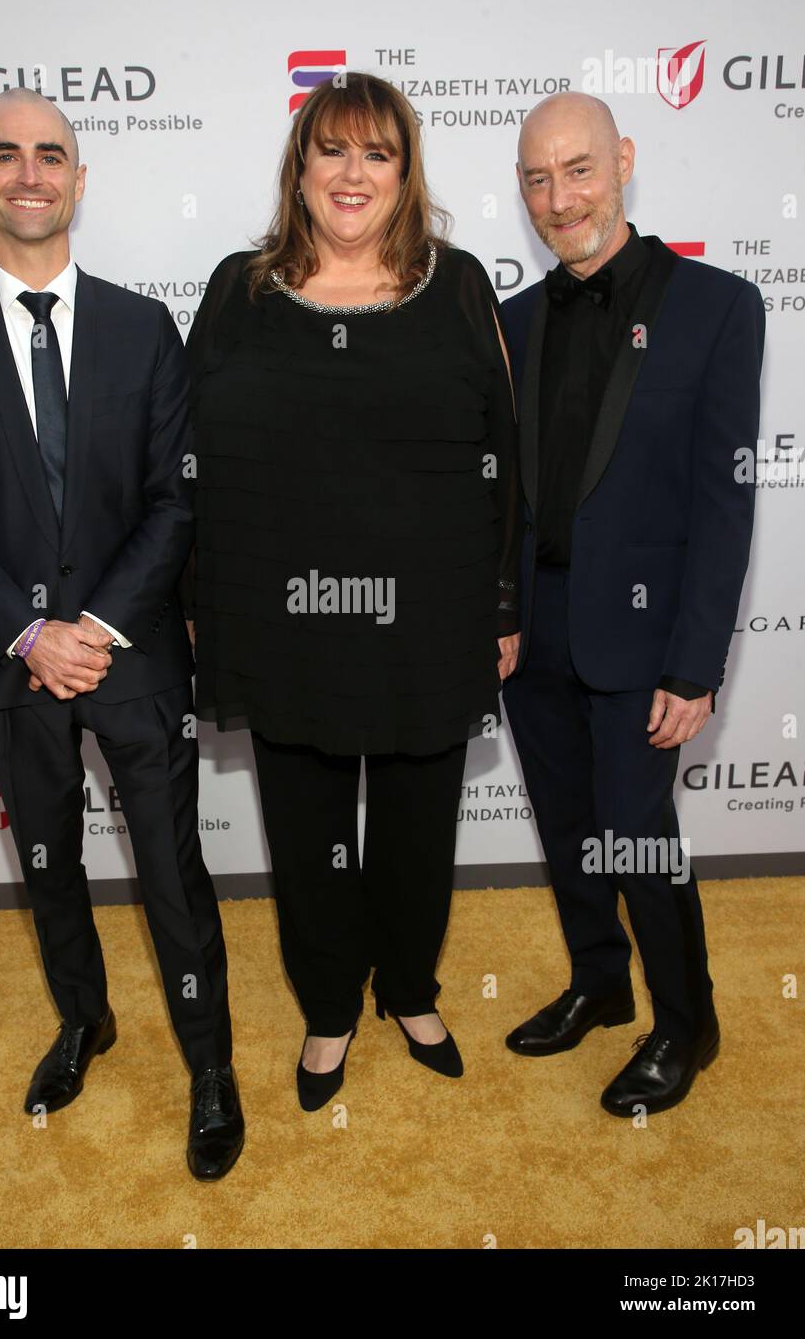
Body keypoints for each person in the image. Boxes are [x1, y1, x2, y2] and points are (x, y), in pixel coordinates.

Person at [0, 88, 243, 1180]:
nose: (29, 173)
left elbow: (174, 500)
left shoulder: (145, 328)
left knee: (173, 874)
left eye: (51, 155)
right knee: (48, 864)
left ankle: (209, 1066)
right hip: (12, 669)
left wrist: (86, 626)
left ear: (79, 180)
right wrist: (27, 634)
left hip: (131, 655)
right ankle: (82, 1021)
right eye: (6, 155)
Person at [184, 73, 521, 1111]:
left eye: (376, 153)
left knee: (420, 821)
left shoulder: (458, 283)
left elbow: (502, 454)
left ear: (404, 172)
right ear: (300, 167)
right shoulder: (237, 288)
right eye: (331, 149)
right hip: (281, 618)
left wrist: (502, 605)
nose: (352, 172)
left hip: (430, 616)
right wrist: (196, 601)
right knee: (306, 824)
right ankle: (330, 1004)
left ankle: (410, 989)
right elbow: (188, 458)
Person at [498, 93, 765, 1115]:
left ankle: (683, 1022)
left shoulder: (716, 305)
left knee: (634, 834)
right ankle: (599, 985)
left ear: (622, 162)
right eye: (535, 178)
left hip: (648, 637)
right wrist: (497, 614)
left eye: (575, 170)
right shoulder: (514, 320)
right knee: (567, 828)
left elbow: (722, 500)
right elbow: (502, 492)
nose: (557, 198)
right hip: (536, 627)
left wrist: (694, 665)